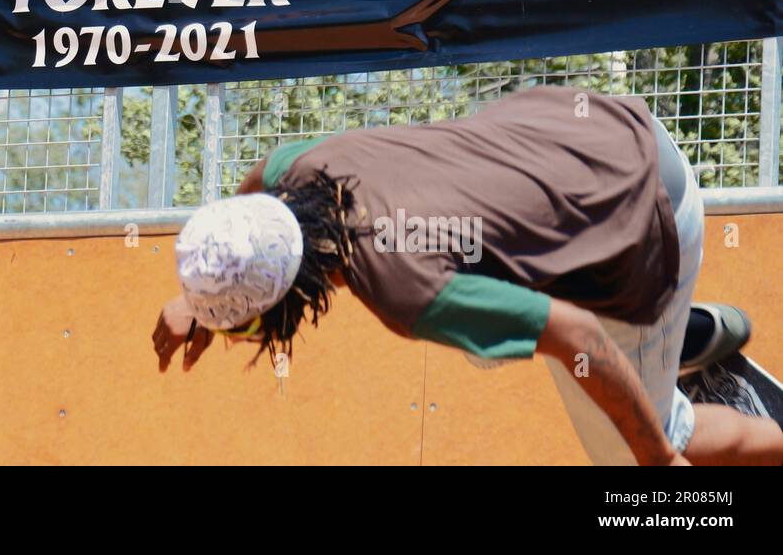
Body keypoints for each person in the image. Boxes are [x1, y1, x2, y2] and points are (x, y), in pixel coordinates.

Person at [152, 86, 781, 466]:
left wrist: (658, 459)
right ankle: (671, 341)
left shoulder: (405, 287)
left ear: (286, 301)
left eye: (246, 327)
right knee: (488, 344)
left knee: (635, 457)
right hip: (598, 133)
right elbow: (258, 182)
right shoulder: (303, 170)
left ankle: (666, 370)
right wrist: (203, 295)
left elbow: (579, 337)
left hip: (647, 216)